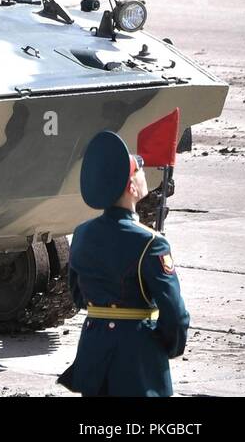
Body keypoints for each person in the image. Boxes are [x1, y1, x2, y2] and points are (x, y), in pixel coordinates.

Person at [58, 131, 190, 397]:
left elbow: (78, 295)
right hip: (137, 353)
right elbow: (175, 314)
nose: (144, 176)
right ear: (131, 187)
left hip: (94, 348)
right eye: (139, 172)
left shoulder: (81, 233)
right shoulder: (152, 242)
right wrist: (165, 347)